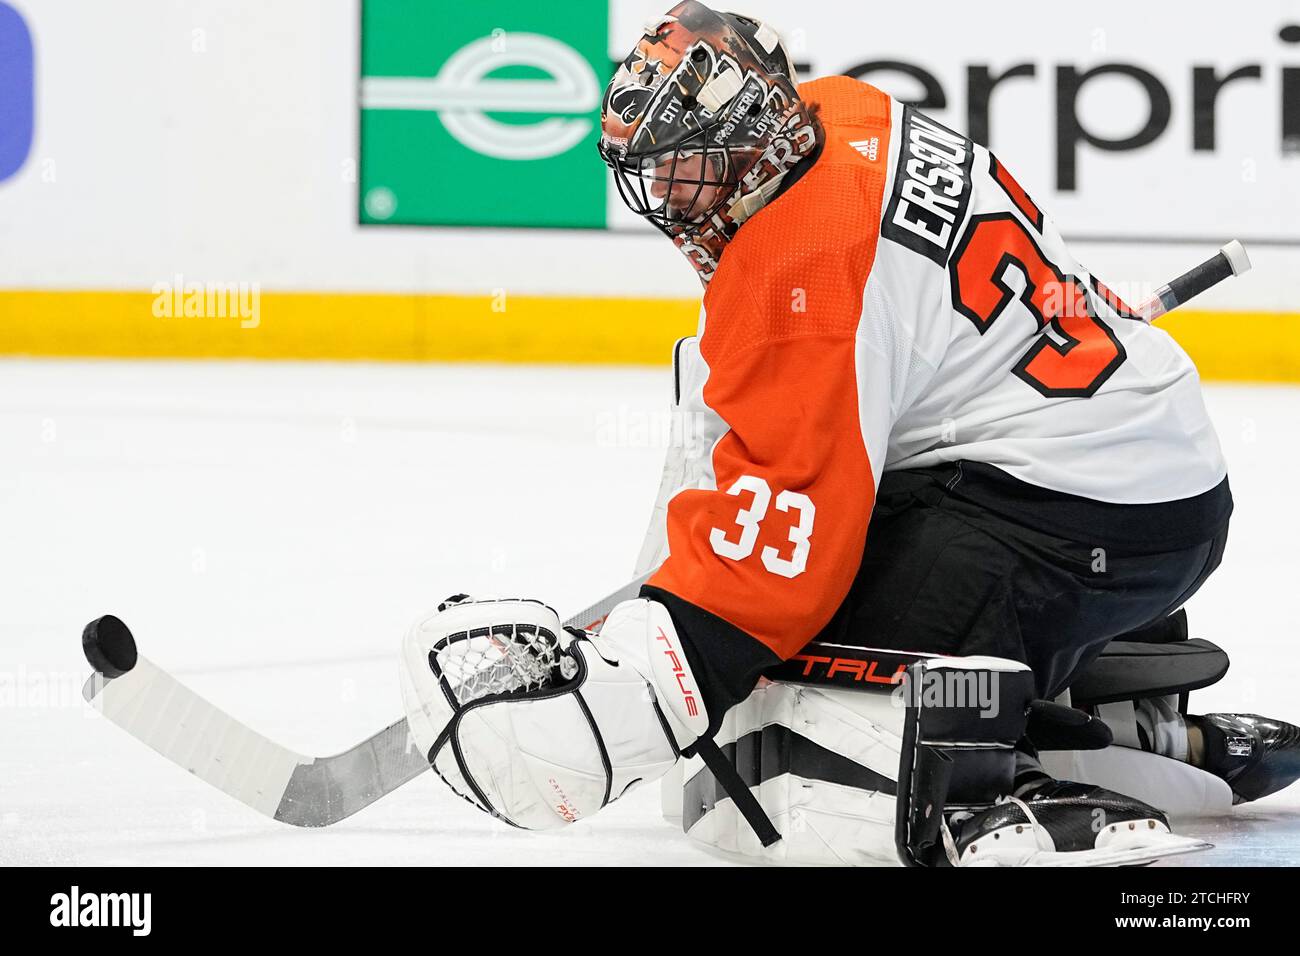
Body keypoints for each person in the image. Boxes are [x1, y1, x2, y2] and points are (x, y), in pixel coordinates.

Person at [396, 2, 1299, 865]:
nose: (672, 199)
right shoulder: (849, 109)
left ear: (756, 132)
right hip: (1140, 477)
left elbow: (782, 563)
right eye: (657, 173)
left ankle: (992, 787)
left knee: (808, 677)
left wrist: (646, 683)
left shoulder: (801, 278)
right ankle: (1125, 715)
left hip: (1076, 520)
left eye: (691, 166)